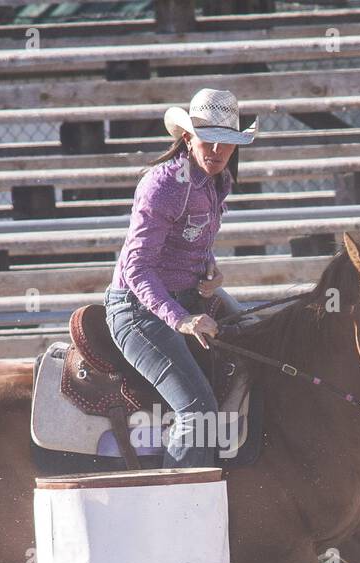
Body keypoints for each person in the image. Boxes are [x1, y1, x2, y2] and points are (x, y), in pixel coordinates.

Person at [104, 88, 257, 468]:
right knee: (196, 408)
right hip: (138, 311)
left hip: (187, 295)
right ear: (188, 138)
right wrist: (182, 320)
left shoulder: (215, 182)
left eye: (228, 144)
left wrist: (209, 266)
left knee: (256, 332)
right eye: (209, 141)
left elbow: (188, 239)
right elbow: (136, 268)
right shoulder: (164, 186)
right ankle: (174, 506)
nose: (218, 152)